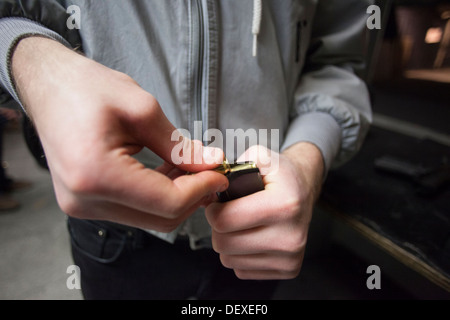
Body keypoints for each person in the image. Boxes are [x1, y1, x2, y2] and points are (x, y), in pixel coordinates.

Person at [0, 0, 373, 299]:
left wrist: (306, 162)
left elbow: (336, 64)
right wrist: (34, 59)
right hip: (113, 234)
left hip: (261, 230)